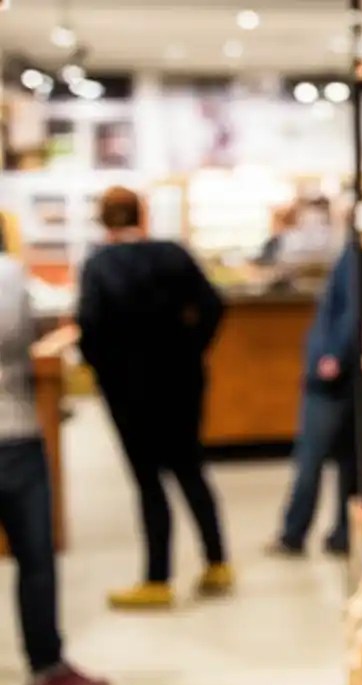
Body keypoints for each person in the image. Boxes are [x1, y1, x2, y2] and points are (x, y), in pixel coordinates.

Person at [77, 186, 231, 609]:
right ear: (141, 214)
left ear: (103, 219)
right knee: (190, 467)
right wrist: (193, 348)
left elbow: (89, 328)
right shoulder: (173, 255)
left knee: (148, 480)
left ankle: (158, 578)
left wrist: (106, 371)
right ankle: (217, 562)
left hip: (129, 391)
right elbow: (214, 305)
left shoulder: (99, 266)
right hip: (182, 381)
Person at [0, 253, 111, 685]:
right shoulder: (8, 275)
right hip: (13, 430)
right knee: (35, 556)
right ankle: (47, 667)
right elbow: (23, 334)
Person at [268, 239, 357, 556]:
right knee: (348, 459)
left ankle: (295, 533)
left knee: (312, 456)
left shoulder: (355, 253)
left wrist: (333, 356)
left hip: (331, 373)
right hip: (340, 371)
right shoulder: (353, 249)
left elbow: (351, 309)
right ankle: (342, 534)